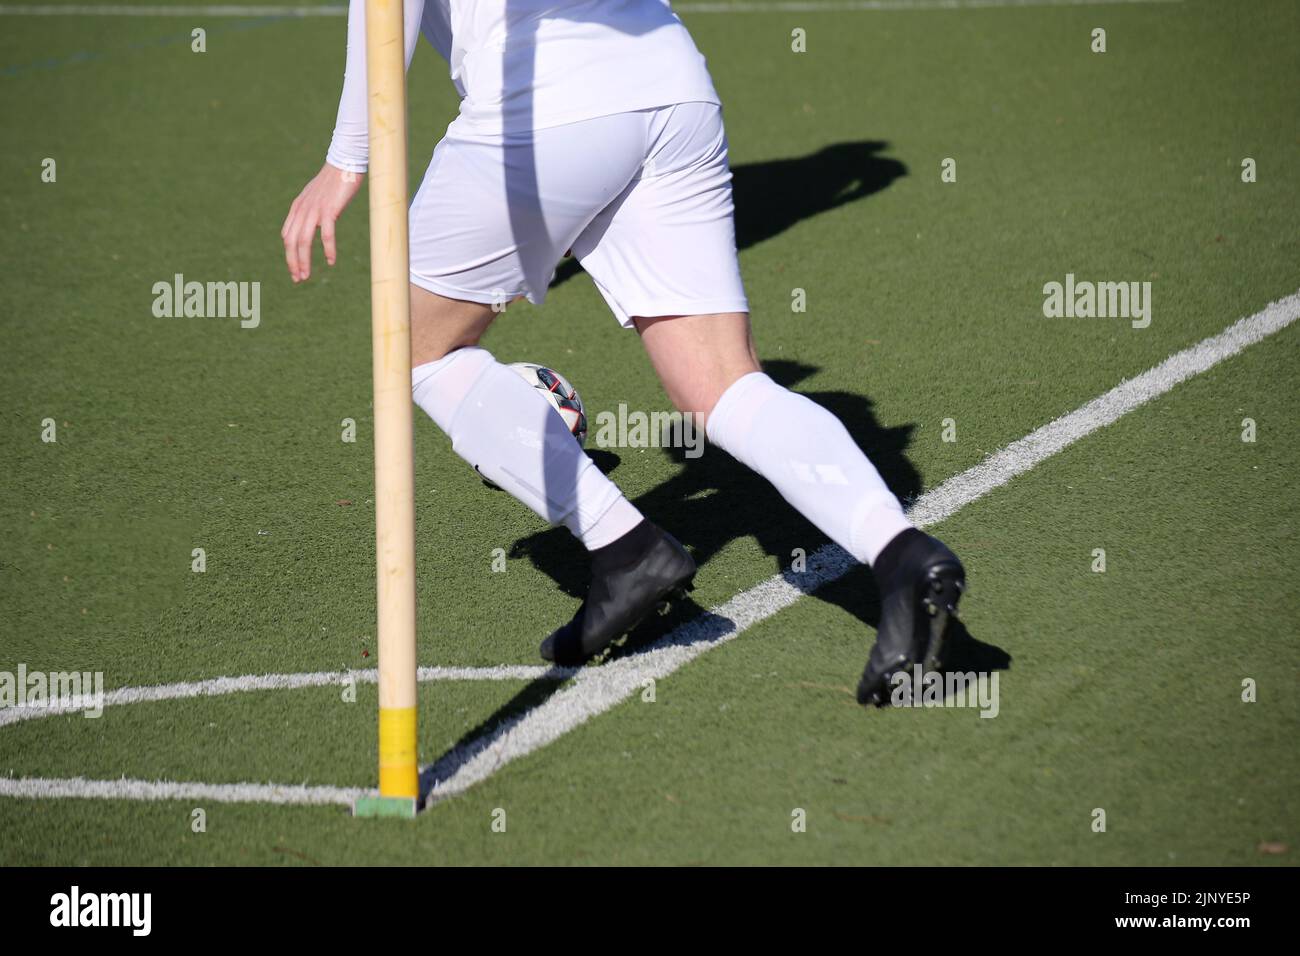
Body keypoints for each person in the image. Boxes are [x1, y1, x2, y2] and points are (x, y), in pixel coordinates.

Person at [281, 0, 965, 706]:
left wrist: (345, 159)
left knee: (413, 347)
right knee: (725, 386)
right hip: (668, 81)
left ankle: (622, 547)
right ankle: (901, 553)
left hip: (547, 106)